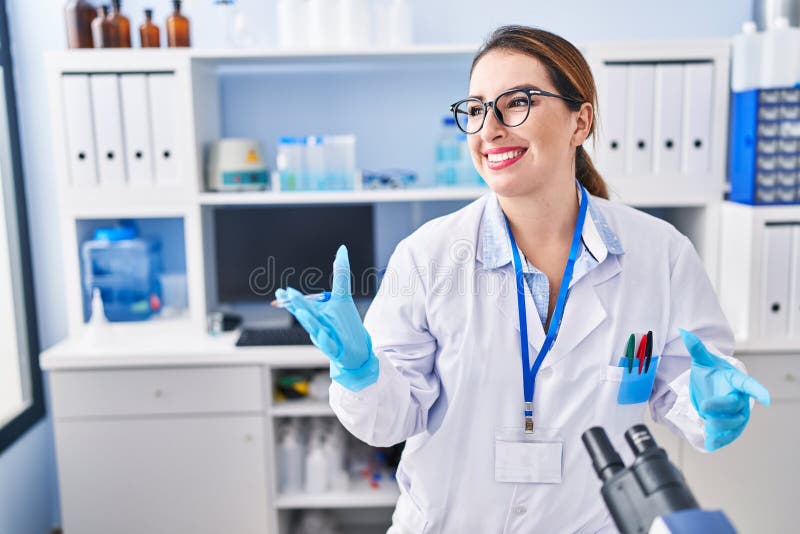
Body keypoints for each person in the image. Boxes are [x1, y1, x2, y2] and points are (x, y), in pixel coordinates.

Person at [275, 25, 770, 533]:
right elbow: (389, 423)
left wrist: (712, 404)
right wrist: (360, 372)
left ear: (581, 121)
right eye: (476, 109)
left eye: (517, 103)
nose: (490, 128)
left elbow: (687, 393)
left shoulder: (660, 254)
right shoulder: (428, 256)